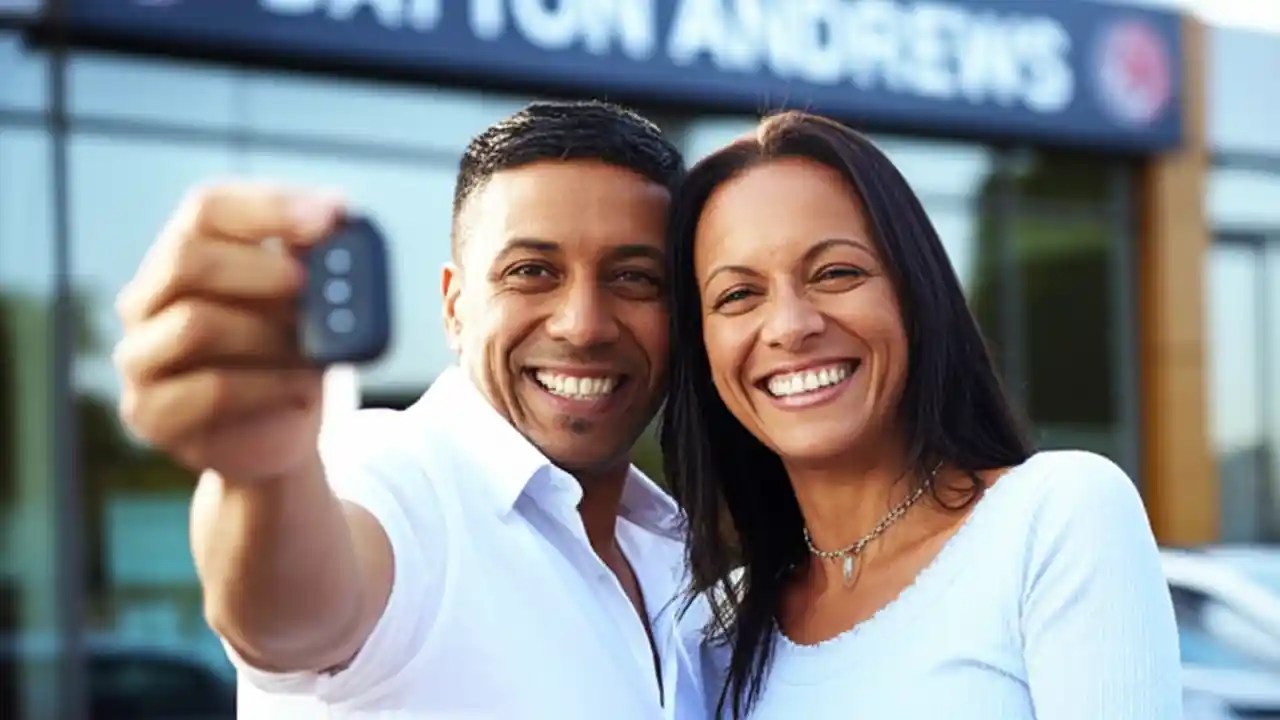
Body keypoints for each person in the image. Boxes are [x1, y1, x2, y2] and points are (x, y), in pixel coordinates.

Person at [112, 100, 711, 718]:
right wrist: (263, 474)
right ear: (454, 308)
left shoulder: (673, 554)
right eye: (531, 271)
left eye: (635, 278)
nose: (583, 325)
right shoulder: (393, 475)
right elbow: (289, 619)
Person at [659, 111, 1183, 719]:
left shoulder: (1054, 519)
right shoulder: (712, 633)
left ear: (914, 292)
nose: (791, 325)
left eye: (835, 273)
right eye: (738, 295)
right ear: (702, 346)